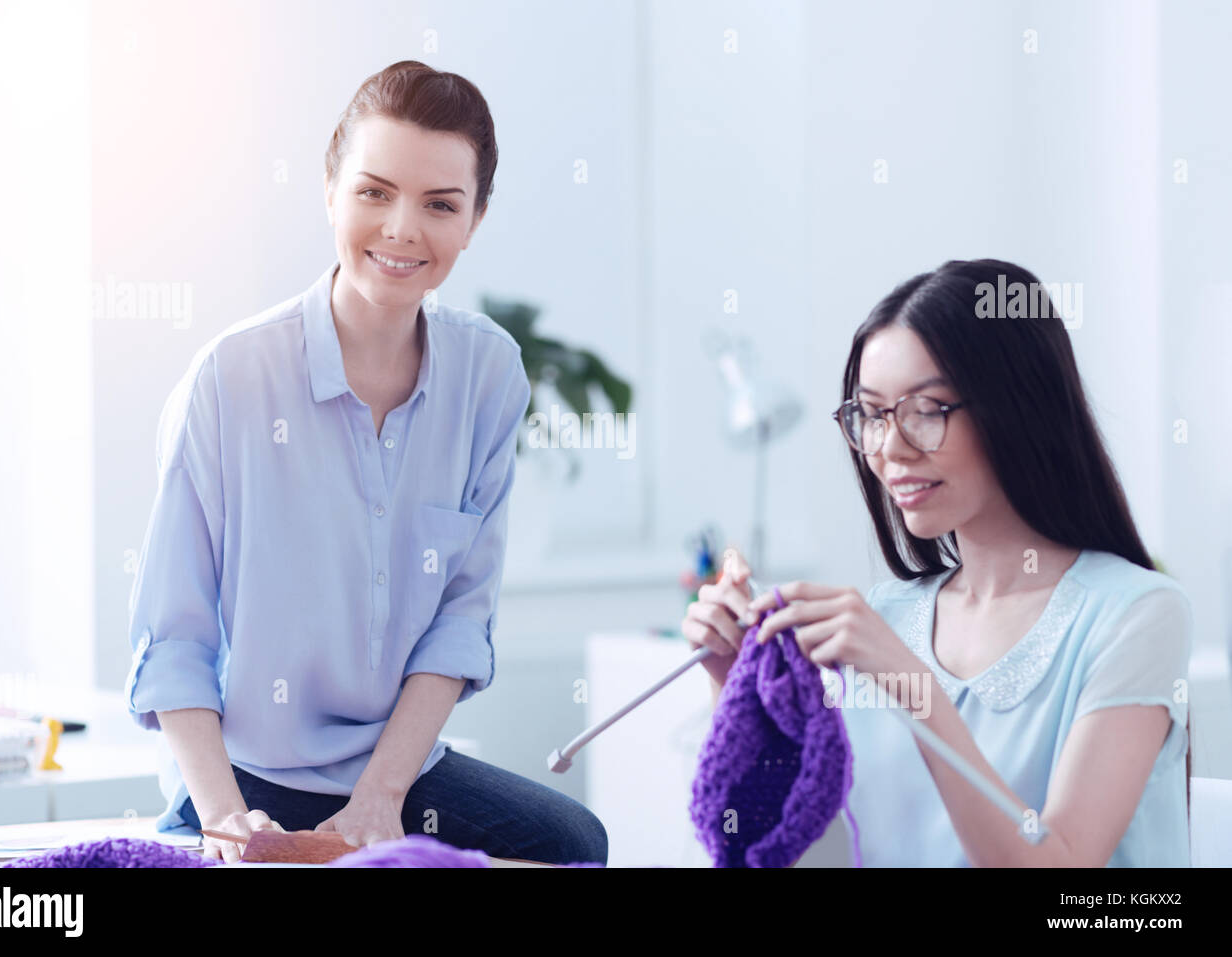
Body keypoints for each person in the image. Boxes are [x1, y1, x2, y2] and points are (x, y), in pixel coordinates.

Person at [124, 60, 607, 866]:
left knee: (574, 842)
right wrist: (225, 818)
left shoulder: (490, 376)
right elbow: (174, 641)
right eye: (374, 192)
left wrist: (381, 798)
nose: (401, 229)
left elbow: (459, 622)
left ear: (476, 217)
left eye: (440, 204)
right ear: (329, 189)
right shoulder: (231, 379)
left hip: (400, 772)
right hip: (248, 773)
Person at [681, 259, 1192, 867]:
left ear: (1018, 408)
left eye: (926, 410)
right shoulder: (882, 617)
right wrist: (735, 680)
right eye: (870, 414)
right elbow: (782, 843)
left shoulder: (1137, 614)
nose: (889, 448)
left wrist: (914, 689)